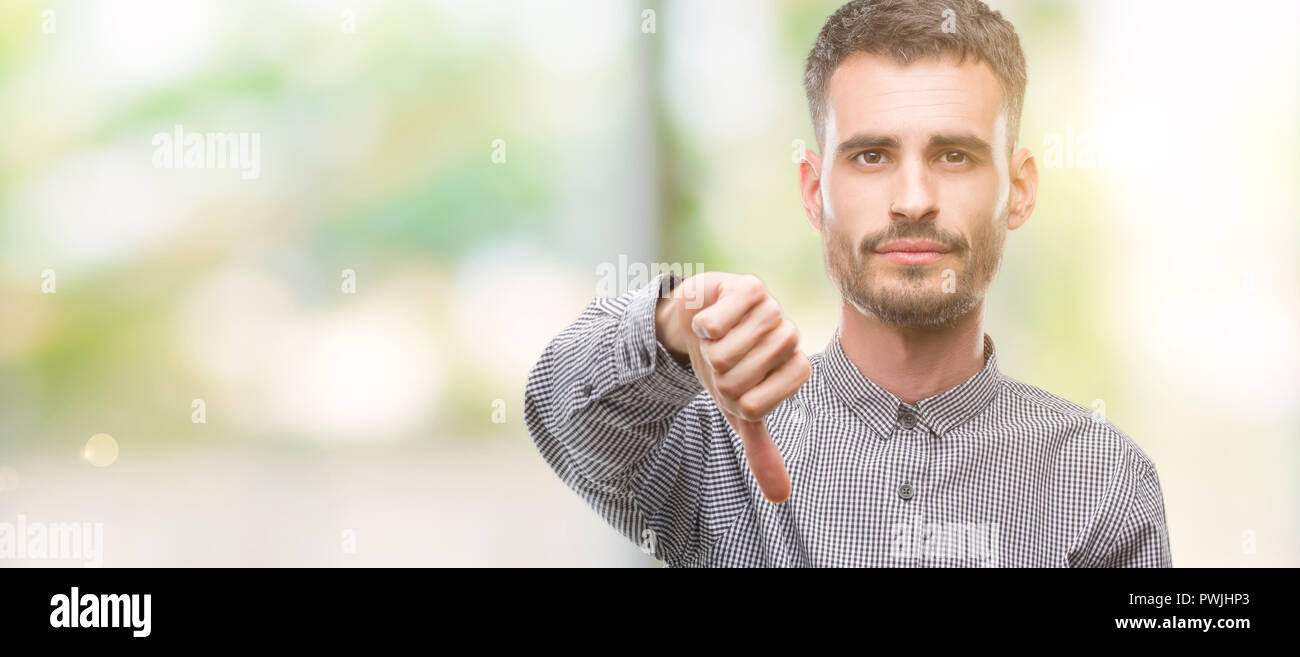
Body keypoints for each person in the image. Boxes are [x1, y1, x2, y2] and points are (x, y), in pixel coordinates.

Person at [524, 0, 1171, 567]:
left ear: (1019, 189)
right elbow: (558, 414)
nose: (913, 200)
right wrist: (670, 323)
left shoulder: (1102, 480)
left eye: (954, 155)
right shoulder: (717, 441)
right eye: (871, 156)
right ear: (814, 191)